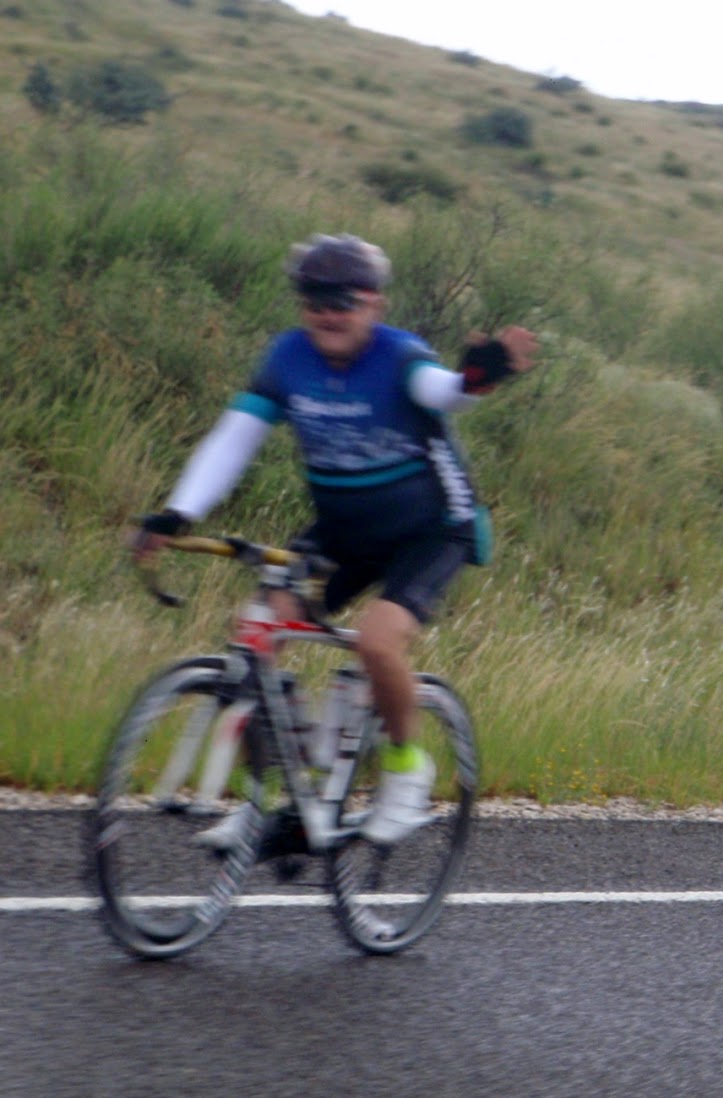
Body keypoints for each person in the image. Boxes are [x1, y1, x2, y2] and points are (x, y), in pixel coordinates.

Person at [131, 233, 537, 848]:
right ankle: (273, 793)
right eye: (313, 298)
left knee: (378, 643)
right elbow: (232, 440)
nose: (327, 312)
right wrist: (177, 513)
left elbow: (444, 391)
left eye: (343, 300)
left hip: (431, 531)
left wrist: (479, 378)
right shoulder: (287, 359)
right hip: (343, 530)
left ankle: (406, 773)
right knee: (258, 634)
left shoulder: (399, 356)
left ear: (373, 304)